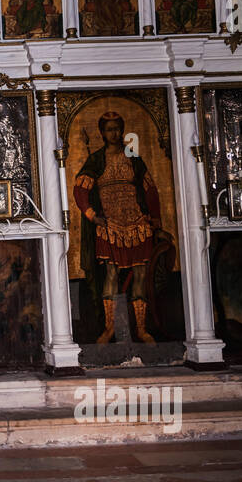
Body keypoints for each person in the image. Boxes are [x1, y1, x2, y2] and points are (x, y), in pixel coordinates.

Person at [73, 111, 163, 343]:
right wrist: (93, 216)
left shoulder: (133, 158)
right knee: (111, 275)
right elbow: (80, 189)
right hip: (110, 225)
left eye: (117, 128)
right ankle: (109, 327)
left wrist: (155, 219)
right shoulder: (96, 160)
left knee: (140, 275)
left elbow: (149, 189)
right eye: (109, 129)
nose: (113, 133)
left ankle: (141, 329)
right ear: (102, 132)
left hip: (136, 225)